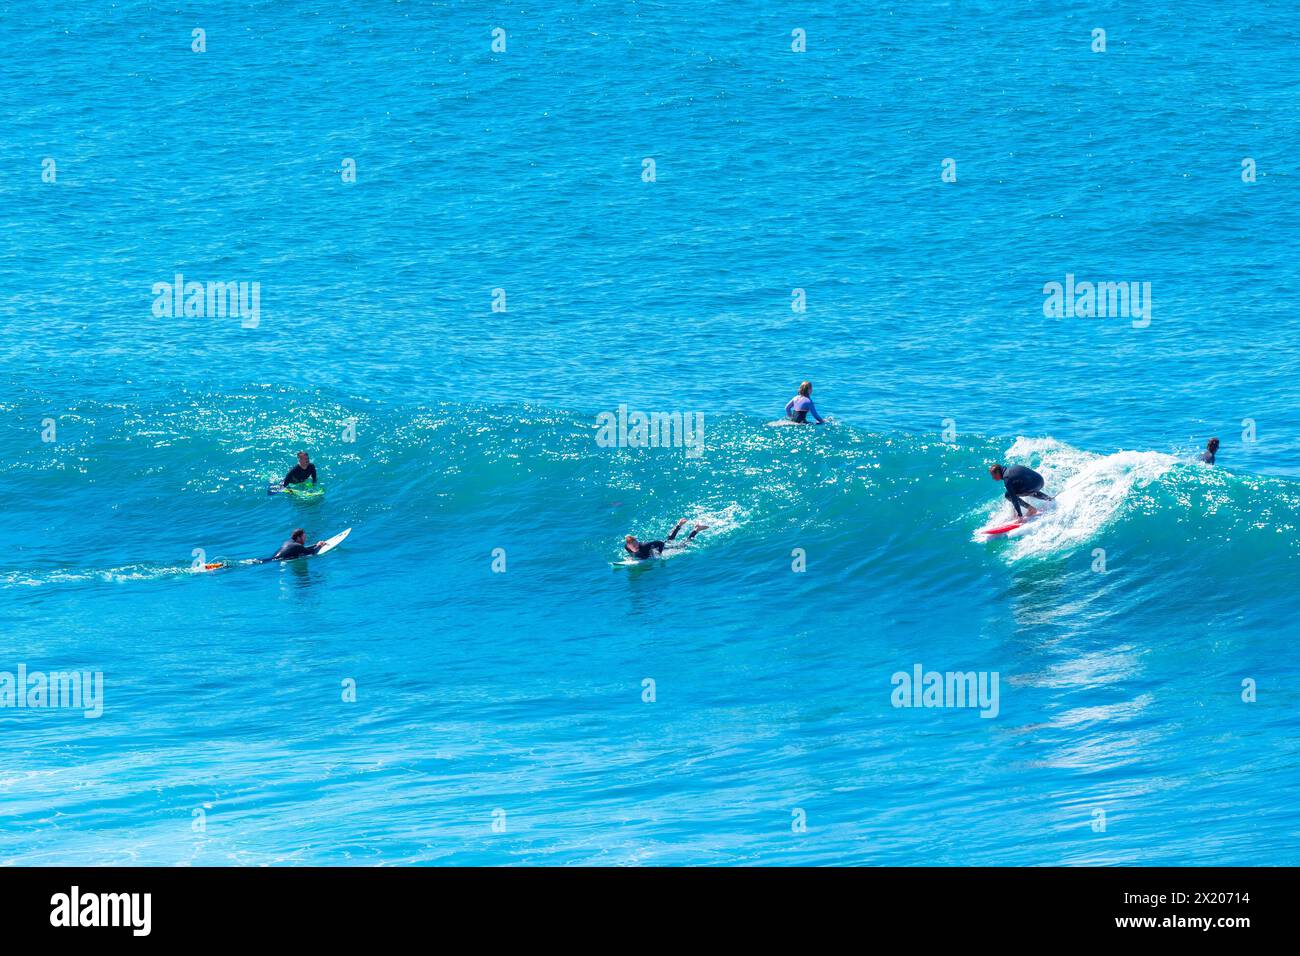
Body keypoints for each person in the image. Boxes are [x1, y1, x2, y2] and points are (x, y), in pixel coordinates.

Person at [989, 463, 1054, 518]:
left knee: (1008, 495)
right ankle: (1049, 499)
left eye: (993, 475)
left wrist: (1020, 515)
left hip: (1032, 487)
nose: (993, 478)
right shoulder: (1014, 467)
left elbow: (1014, 498)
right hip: (1040, 481)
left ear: (998, 473)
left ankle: (1031, 509)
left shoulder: (1007, 478)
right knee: (1024, 487)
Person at [624, 519, 708, 560]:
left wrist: (659, 554)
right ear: (628, 546)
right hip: (653, 549)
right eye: (633, 546)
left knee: (683, 545)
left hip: (661, 547)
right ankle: (679, 525)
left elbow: (660, 543)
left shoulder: (644, 546)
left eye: (636, 544)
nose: (636, 546)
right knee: (669, 539)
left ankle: (696, 530)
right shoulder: (627, 547)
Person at [260, 528, 328, 563]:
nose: (305, 538)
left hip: (270, 559)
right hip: (276, 561)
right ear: (298, 538)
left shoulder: (290, 542)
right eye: (304, 537)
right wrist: (319, 546)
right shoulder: (297, 546)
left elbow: (303, 549)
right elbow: (312, 553)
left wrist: (316, 544)